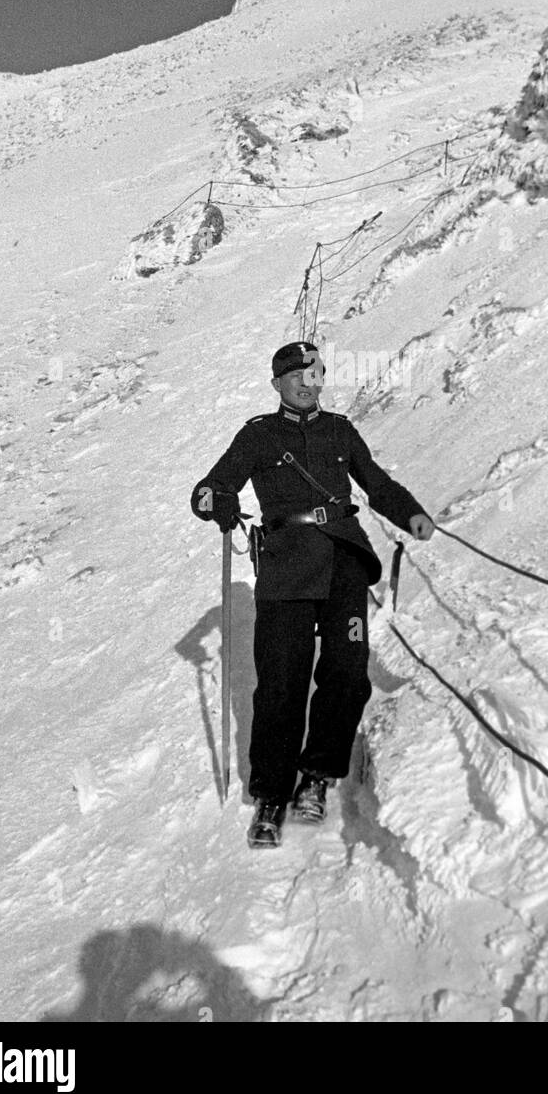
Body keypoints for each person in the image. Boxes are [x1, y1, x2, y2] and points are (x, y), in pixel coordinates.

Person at [190, 341, 434, 848]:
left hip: (344, 558)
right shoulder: (258, 436)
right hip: (284, 569)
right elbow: (207, 490)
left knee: (347, 673)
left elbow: (376, 483)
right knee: (281, 685)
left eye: (314, 373)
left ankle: (317, 776)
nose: (307, 383)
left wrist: (410, 512)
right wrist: (220, 503)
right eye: (296, 375)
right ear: (277, 382)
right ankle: (272, 796)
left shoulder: (340, 430)